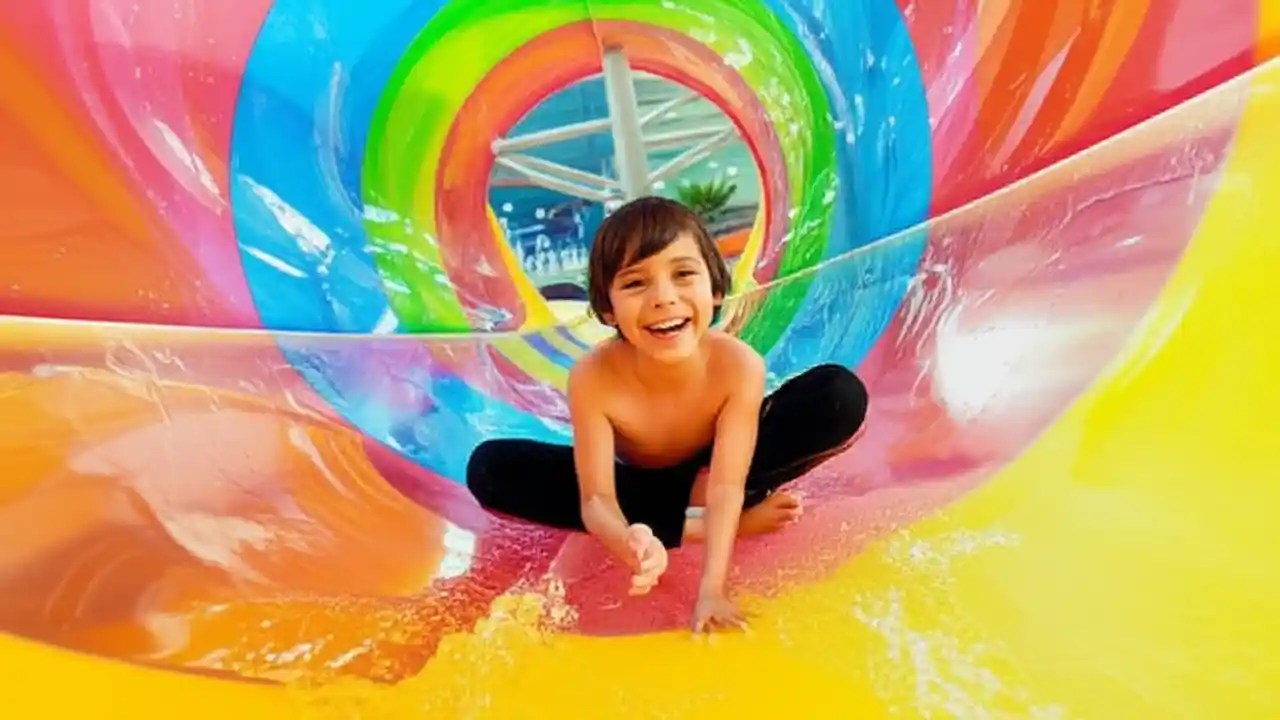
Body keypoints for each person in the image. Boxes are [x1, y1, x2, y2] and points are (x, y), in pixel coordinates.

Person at [466, 196, 868, 633]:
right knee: (490, 467)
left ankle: (698, 513)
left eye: (683, 274)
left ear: (715, 289)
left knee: (838, 394)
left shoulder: (738, 365)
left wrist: (711, 590)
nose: (663, 298)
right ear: (607, 309)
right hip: (644, 489)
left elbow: (728, 484)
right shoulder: (593, 378)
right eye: (636, 284)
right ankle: (691, 520)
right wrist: (628, 542)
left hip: (727, 473)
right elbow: (597, 499)